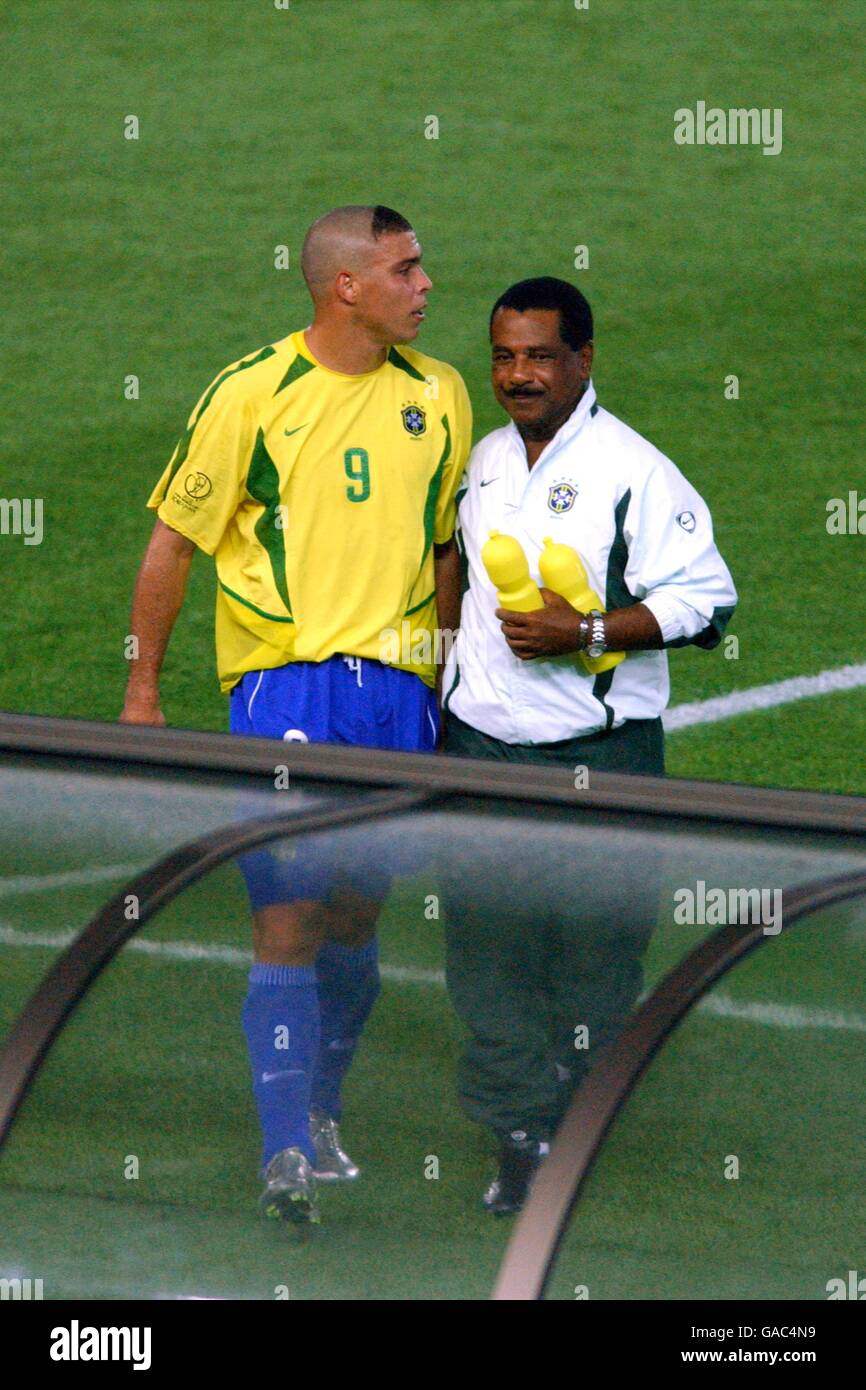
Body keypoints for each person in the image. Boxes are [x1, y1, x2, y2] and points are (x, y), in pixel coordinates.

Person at [120, 205, 471, 1227]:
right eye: (405, 269)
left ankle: (318, 1109)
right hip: (286, 687)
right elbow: (171, 546)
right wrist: (143, 693)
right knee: (289, 915)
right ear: (345, 287)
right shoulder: (251, 393)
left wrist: (442, 691)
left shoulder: (440, 395)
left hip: (398, 694)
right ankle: (280, 1150)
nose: (425, 285)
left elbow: (443, 553)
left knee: (359, 912)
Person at [440, 276, 737, 1212]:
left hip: (597, 763)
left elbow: (707, 604)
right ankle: (518, 1142)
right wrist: (439, 685)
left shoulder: (635, 471)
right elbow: (460, 582)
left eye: (539, 355)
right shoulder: (486, 460)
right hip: (482, 749)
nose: (519, 375)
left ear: (583, 360)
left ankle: (571, 1123)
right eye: (504, 356)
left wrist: (592, 634)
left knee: (594, 967)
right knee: (488, 955)